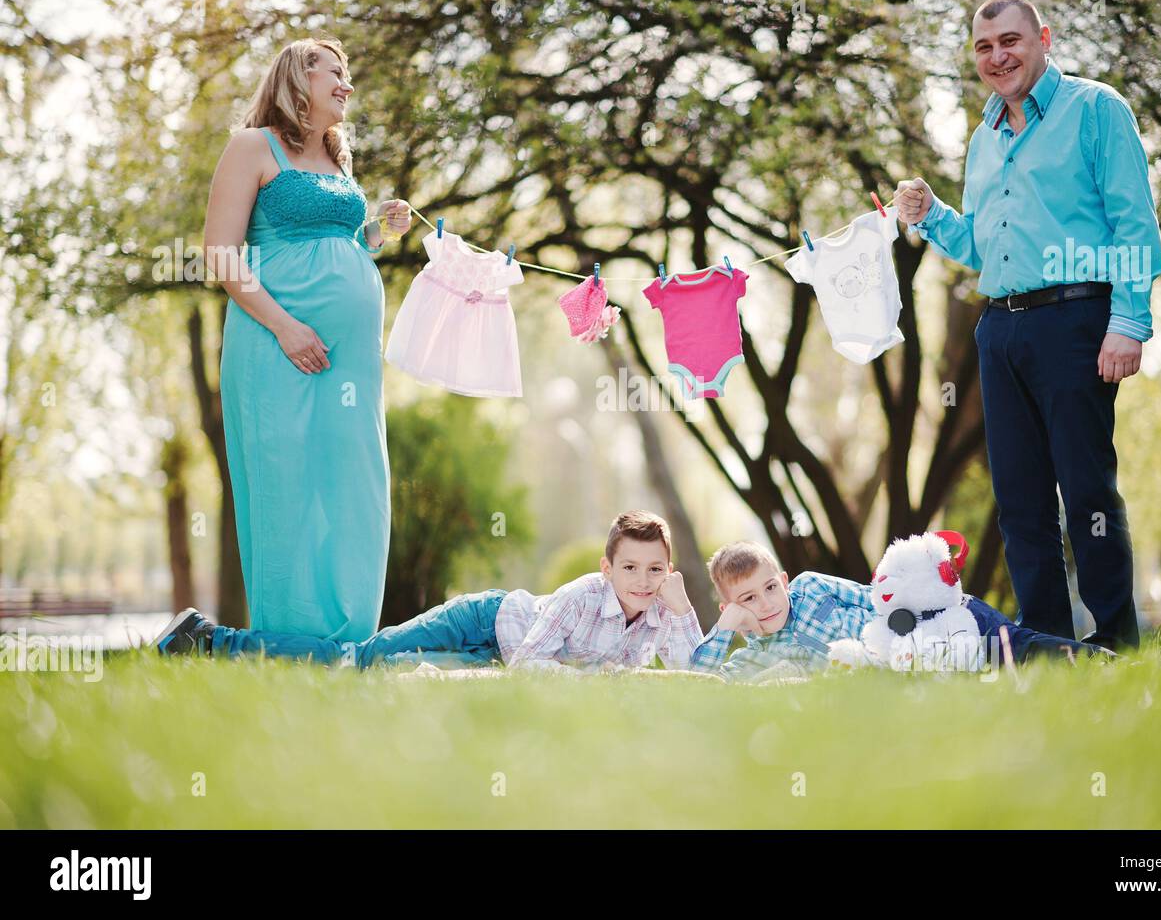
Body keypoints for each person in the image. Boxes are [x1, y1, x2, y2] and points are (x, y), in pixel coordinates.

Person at [893, 0, 1161, 650]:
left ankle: (1114, 641)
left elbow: (1134, 221)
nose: (998, 57)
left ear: (1043, 37)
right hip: (1001, 329)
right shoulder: (985, 137)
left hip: (1076, 320)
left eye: (1010, 41)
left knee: (1087, 492)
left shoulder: (1096, 110)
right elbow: (983, 247)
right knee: (1019, 501)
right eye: (984, 47)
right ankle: (1044, 643)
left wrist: (1128, 321)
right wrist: (931, 212)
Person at [203, 37, 411, 643]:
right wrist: (285, 326)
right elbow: (221, 252)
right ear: (298, 79)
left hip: (350, 361)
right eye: (335, 73)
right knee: (284, 480)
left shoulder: (337, 160)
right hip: (275, 343)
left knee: (353, 480)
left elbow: (337, 246)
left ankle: (346, 637)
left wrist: (376, 231)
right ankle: (288, 639)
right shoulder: (252, 146)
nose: (347, 85)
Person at [152, 511, 704, 672]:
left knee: (392, 681)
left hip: (493, 657)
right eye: (630, 568)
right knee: (359, 662)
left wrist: (681, 613)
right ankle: (209, 639)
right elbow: (531, 662)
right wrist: (601, 678)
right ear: (606, 568)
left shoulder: (662, 609)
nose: (643, 582)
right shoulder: (583, 595)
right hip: (480, 623)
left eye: (656, 570)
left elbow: (692, 677)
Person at [690, 541, 1107, 682]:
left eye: (769, 588)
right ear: (731, 608)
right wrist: (725, 628)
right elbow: (701, 680)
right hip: (911, 667)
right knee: (990, 667)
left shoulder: (811, 586)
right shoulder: (757, 655)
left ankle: (1096, 661)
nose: (765, 604)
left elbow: (876, 597)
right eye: (748, 600)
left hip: (932, 622)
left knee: (1009, 645)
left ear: (782, 580)